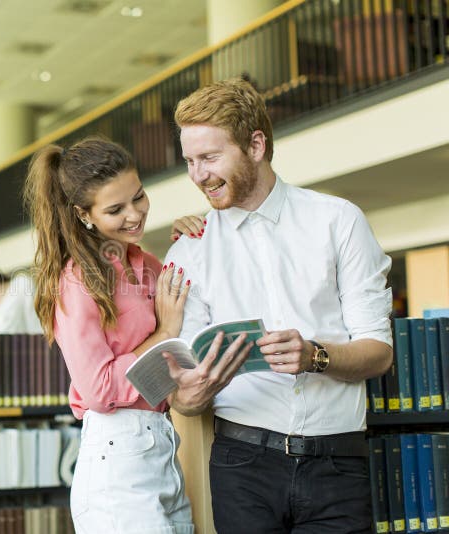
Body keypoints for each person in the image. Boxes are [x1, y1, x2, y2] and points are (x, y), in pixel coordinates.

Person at [164, 78, 393, 533]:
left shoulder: (337, 220)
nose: (197, 175)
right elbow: (183, 395)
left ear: (255, 145)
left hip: (338, 465)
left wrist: (315, 356)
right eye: (190, 161)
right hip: (241, 466)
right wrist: (189, 395)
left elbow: (378, 352)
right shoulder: (190, 250)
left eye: (209, 157)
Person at [24, 136, 250, 534]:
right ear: (84, 214)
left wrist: (190, 244)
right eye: (115, 209)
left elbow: (189, 316)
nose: (135, 214)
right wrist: (164, 333)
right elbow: (97, 389)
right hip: (116, 463)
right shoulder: (75, 283)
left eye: (139, 197)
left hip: (164, 447)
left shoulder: (146, 263)